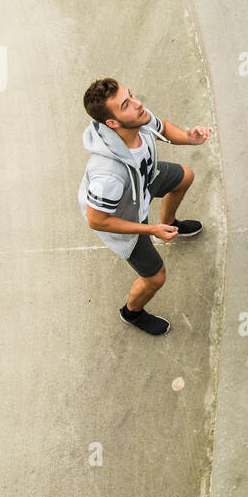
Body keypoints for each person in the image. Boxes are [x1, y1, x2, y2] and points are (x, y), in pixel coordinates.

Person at [77, 77, 213, 335]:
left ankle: (171, 224)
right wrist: (151, 230)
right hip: (124, 214)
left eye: (131, 96)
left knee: (185, 177)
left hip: (143, 181)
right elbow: (97, 221)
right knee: (156, 277)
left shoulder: (136, 117)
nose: (139, 105)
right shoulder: (108, 176)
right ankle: (132, 313)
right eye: (126, 104)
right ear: (112, 123)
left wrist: (189, 137)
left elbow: (161, 128)